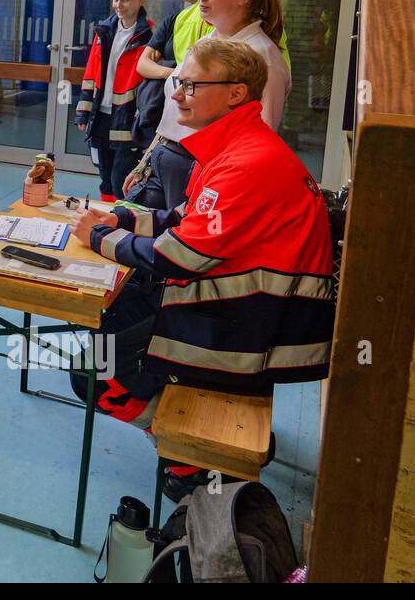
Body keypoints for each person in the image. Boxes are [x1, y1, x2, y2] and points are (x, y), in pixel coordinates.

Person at [70, 40, 334, 500]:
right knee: (111, 321)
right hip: (249, 314)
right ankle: (189, 442)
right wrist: (123, 219)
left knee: (93, 370)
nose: (175, 95)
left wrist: (98, 238)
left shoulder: (246, 162)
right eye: (178, 83)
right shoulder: (241, 145)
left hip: (254, 334)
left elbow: (179, 258)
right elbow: (187, 220)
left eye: (190, 85)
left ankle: (188, 454)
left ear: (235, 94)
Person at [125, 0, 291, 211]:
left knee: (169, 247)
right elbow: (172, 114)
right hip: (164, 160)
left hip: (199, 172)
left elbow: (259, 143)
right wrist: (145, 163)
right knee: (124, 224)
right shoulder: (207, 43)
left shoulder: (263, 59)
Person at [74, 0, 152, 201]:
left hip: (128, 118)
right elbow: (91, 74)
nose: (119, 5)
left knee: (122, 179)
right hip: (100, 115)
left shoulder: (150, 35)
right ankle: (105, 219)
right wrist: (83, 111)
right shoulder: (104, 31)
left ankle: (118, 224)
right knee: (105, 176)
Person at [132, 0, 202, 148]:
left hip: (194, 111)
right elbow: (142, 64)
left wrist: (163, 64)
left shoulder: (213, 22)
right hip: (164, 107)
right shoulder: (175, 20)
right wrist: (173, 72)